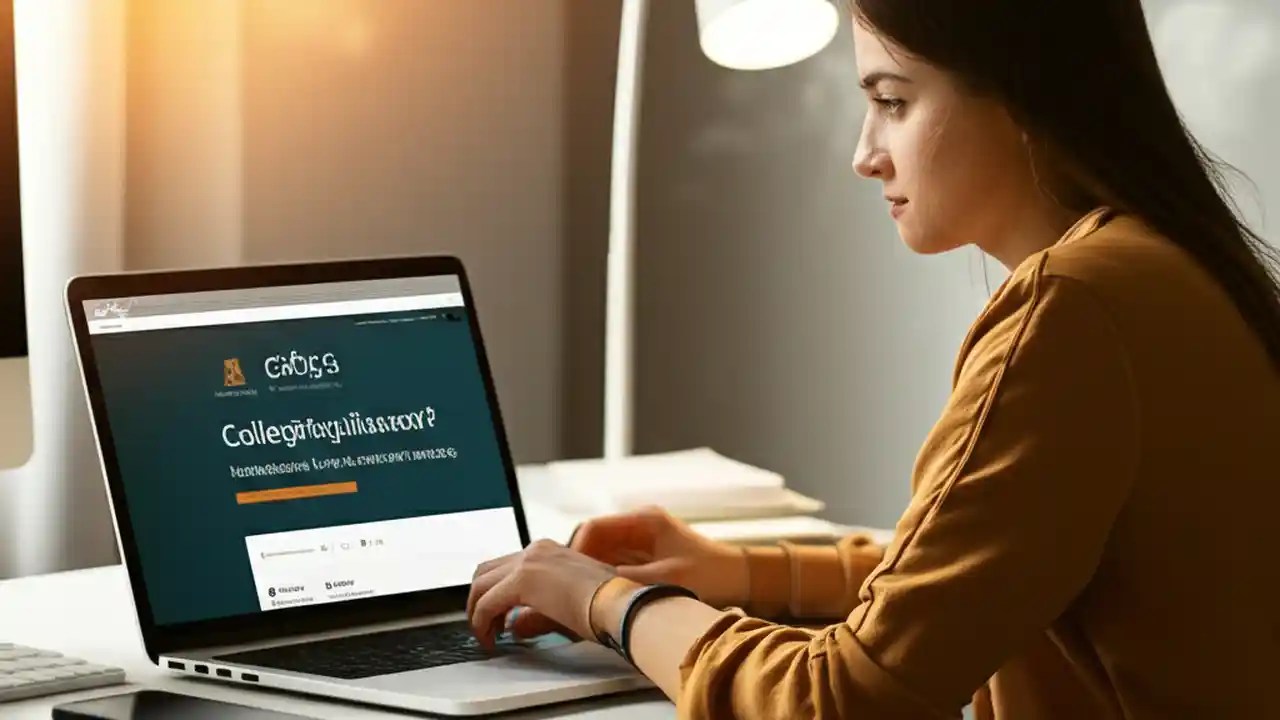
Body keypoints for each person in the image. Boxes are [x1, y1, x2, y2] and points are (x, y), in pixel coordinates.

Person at [465, 0, 1280, 717]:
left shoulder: (1071, 311)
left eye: (893, 101)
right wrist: (740, 572)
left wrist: (608, 601)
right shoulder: (1169, 266)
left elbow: (844, 699)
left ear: (1025, 90)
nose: (866, 153)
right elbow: (972, 582)